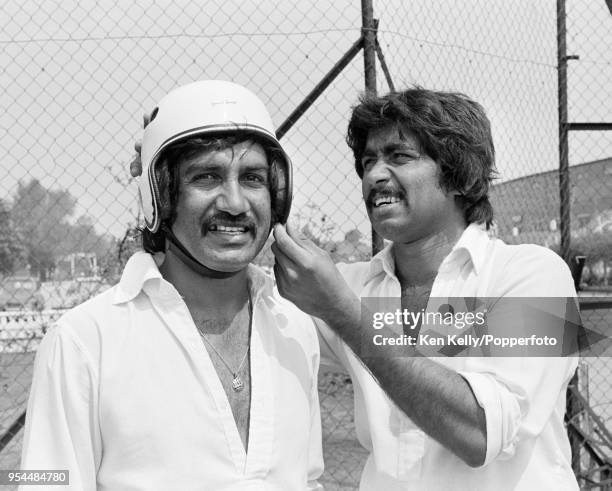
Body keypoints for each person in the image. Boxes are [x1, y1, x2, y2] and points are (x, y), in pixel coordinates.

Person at [20, 80, 323, 490]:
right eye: (207, 177)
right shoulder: (83, 343)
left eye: (252, 178)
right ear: (159, 198)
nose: (234, 203)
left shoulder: (297, 328)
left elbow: (307, 479)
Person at [272, 88, 580, 490]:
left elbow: (481, 433)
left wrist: (346, 314)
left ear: (458, 175)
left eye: (399, 157)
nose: (374, 175)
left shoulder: (532, 276)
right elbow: (245, 305)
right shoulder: (352, 285)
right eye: (368, 161)